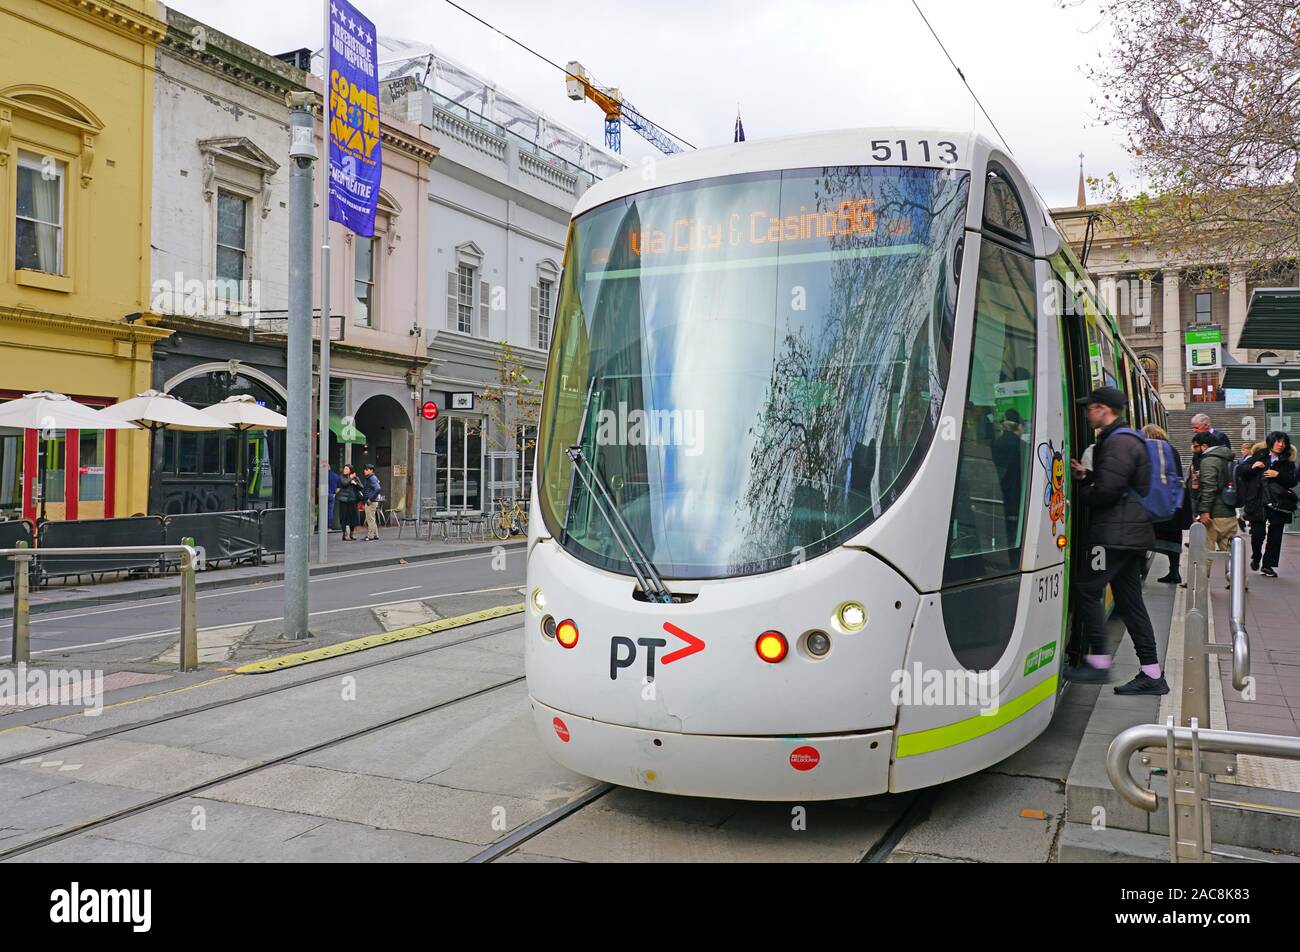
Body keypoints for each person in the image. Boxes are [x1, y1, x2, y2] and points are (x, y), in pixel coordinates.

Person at [1065, 386, 1167, 696]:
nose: (1087, 413)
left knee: (1086, 589)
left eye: (1090, 407)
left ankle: (1098, 662)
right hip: (1128, 533)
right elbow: (1116, 482)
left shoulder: (1118, 441)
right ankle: (1152, 673)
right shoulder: (1126, 439)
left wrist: (1083, 489)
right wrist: (1089, 475)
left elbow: (1107, 492)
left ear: (1103, 410)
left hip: (1115, 534)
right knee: (1130, 602)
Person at [1236, 431, 1297, 577]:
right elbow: (1240, 470)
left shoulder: (1287, 461)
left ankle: (1268, 565)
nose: (1280, 445)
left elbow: (1293, 481)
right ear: (1270, 442)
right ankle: (1256, 556)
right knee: (1257, 534)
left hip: (1278, 503)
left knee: (1275, 537)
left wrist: (1279, 475)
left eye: (1283, 442)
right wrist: (1252, 467)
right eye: (1277, 441)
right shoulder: (1259, 455)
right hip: (1258, 501)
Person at [1191, 430, 1240, 587]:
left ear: (1205, 446)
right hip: (1229, 512)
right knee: (1232, 551)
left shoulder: (1209, 460)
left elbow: (1209, 488)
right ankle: (1239, 581)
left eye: (1196, 446)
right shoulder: (1226, 457)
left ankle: (1200, 582)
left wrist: (1204, 511)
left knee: (1206, 550)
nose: (1194, 449)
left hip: (1215, 514)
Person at [1143, 423, 1189, 584]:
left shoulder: (1148, 450)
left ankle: (1140, 568)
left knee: (1146, 537)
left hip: (1154, 500)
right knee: (1173, 538)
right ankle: (1174, 571)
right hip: (1173, 500)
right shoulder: (1172, 450)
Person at [335, 463, 362, 541]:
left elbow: (361, 487)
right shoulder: (341, 477)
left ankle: (351, 534)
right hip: (344, 500)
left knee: (353, 518)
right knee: (343, 518)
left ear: (351, 470)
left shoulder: (355, 478)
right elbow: (344, 484)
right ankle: (344, 534)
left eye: (347, 469)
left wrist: (355, 483)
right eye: (344, 469)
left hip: (353, 500)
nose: (345, 470)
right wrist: (350, 479)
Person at [361, 462, 382, 542]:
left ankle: (370, 536)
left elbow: (377, 488)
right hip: (372, 501)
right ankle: (375, 535)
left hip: (371, 501)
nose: (364, 471)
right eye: (364, 469)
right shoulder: (372, 477)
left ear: (371, 470)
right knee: (372, 519)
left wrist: (370, 499)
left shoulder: (371, 478)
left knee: (370, 519)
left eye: (366, 470)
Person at [327, 463, 341, 531]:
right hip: (332, 495)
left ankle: (321, 525)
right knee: (330, 511)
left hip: (323, 496)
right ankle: (329, 527)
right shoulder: (336, 476)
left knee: (322, 511)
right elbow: (339, 488)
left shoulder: (322, 476)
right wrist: (334, 493)